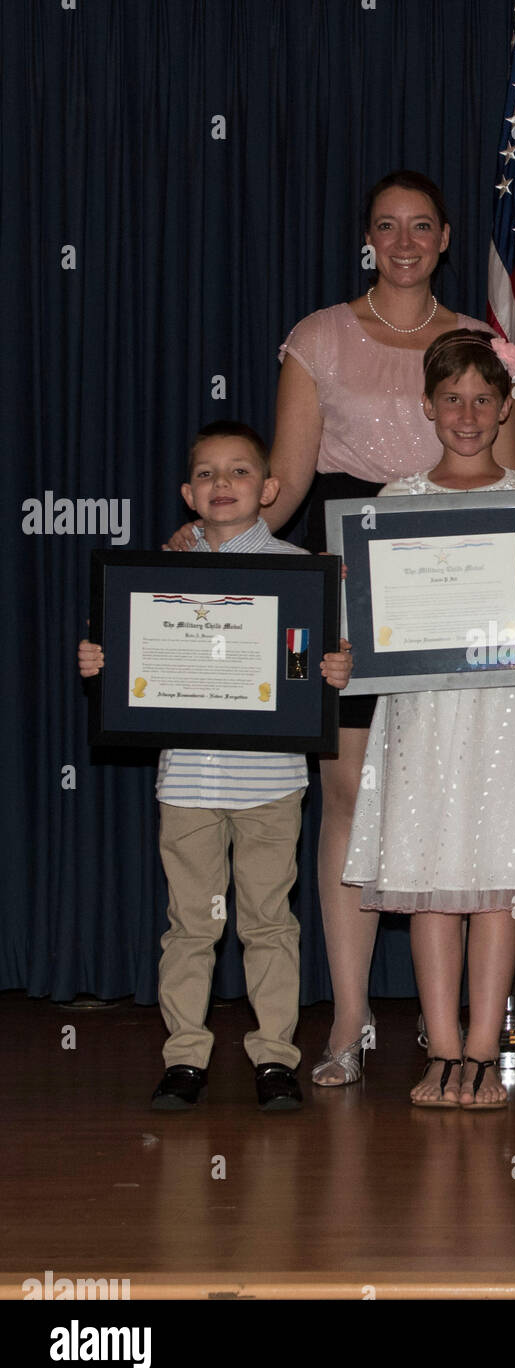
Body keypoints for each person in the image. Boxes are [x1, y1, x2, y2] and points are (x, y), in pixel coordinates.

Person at [169, 172, 515, 1088]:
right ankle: (351, 1016)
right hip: (351, 578)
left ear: (446, 238)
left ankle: (469, 1022)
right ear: (368, 237)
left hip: (453, 581)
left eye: (420, 226)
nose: (403, 242)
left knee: (457, 786)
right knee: (350, 794)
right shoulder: (318, 336)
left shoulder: (480, 345)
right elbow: (283, 484)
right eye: (386, 226)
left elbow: (512, 495)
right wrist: (210, 543)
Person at [81, 422, 352, 1111]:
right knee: (191, 926)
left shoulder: (299, 570)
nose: (221, 484)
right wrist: (103, 664)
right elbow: (134, 662)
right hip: (189, 784)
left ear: (269, 488)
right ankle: (184, 1058)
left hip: (272, 785)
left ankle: (275, 1057)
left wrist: (333, 669)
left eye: (238, 472)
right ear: (187, 493)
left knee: (268, 922)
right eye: (206, 473)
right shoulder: (162, 571)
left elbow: (311, 660)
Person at [342, 330, 515, 1109]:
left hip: (510, 712)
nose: (468, 415)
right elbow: (368, 620)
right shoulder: (395, 503)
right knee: (432, 880)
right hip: (424, 718)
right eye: (452, 399)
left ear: (507, 407)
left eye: (483, 399)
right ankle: (441, 1048)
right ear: (427, 406)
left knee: (498, 884)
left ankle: (483, 1049)